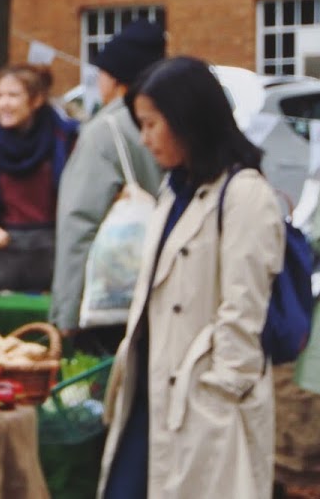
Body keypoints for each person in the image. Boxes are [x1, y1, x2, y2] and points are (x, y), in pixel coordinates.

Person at [99, 57, 284, 499]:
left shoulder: (244, 193)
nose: (144, 139)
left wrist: (220, 390)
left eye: (151, 125)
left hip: (202, 401)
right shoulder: (174, 189)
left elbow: (243, 307)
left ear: (188, 120)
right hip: (153, 389)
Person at [50, 21, 166, 346]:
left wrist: (66, 312)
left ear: (114, 79)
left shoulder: (105, 131)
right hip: (169, 290)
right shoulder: (173, 119)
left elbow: (80, 222)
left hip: (111, 301)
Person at [0, 64, 78, 292]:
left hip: (55, 250)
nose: (3, 103)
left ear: (36, 100)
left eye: (13, 96)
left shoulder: (63, 139)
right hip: (5, 250)